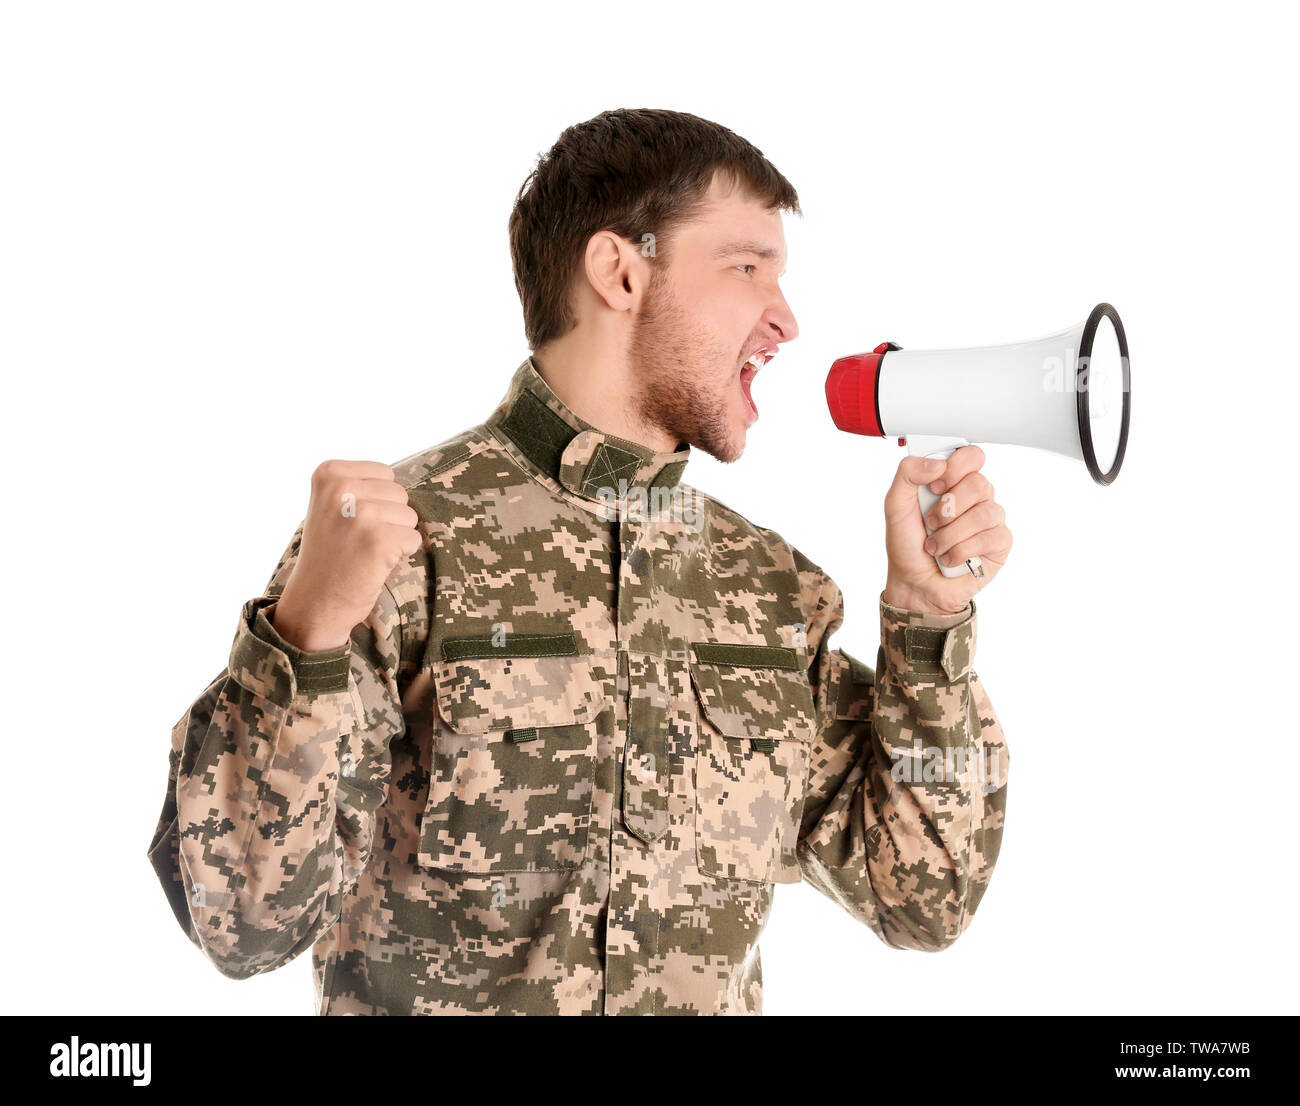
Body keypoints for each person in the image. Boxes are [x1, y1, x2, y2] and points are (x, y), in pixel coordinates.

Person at [148, 108, 1012, 1015]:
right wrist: (306, 637)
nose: (786, 320)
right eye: (748, 267)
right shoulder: (399, 546)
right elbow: (241, 924)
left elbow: (926, 898)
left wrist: (927, 632)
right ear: (622, 272)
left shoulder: (772, 589)